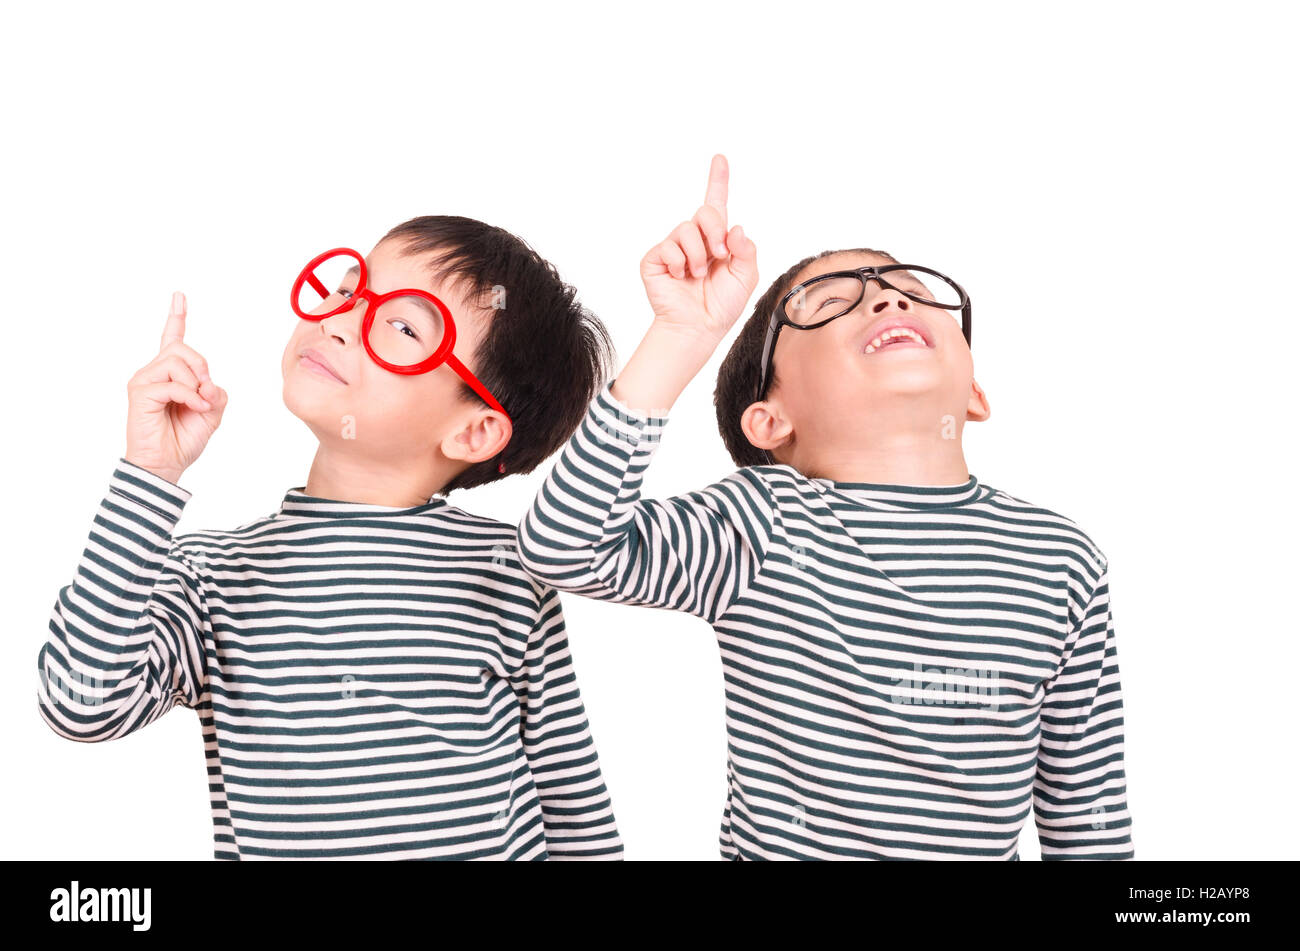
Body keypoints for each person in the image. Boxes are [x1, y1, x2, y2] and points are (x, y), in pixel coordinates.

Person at [517, 157, 1133, 860]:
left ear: (974, 394)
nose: (889, 300)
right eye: (828, 301)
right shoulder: (762, 524)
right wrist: (679, 337)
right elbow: (565, 547)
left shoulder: (1061, 557)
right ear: (769, 421)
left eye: (912, 290)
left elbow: (1087, 810)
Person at [37, 216, 623, 860]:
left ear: (474, 432)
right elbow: (82, 702)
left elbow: (573, 806)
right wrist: (149, 475)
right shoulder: (212, 576)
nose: (339, 320)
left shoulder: (509, 571)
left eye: (403, 327)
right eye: (347, 290)